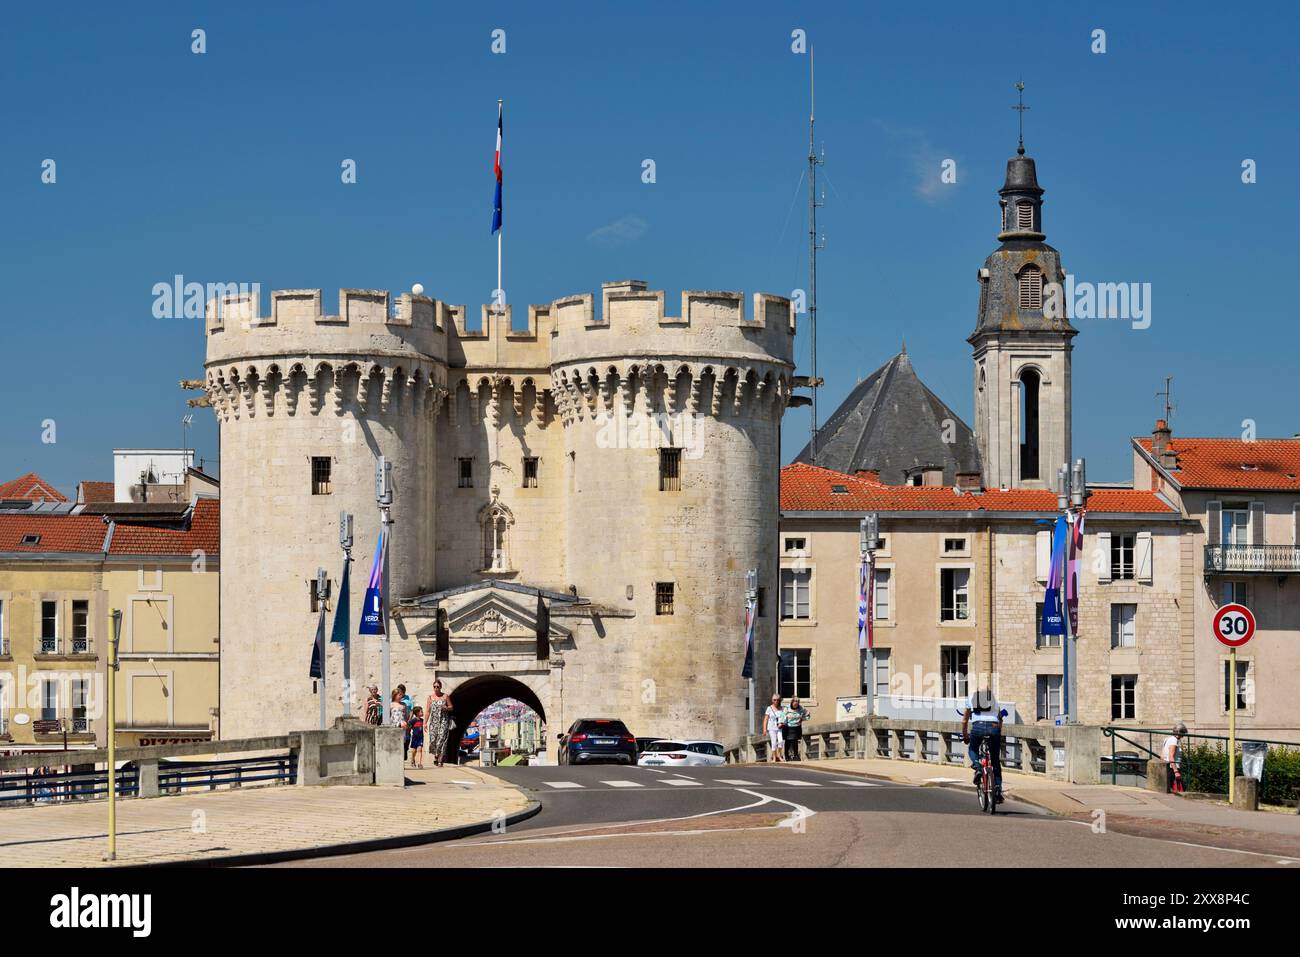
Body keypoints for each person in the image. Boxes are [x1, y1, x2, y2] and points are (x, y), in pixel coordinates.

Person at [962, 687, 1003, 802]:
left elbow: (964, 720)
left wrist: (965, 736)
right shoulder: (994, 699)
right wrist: (997, 734)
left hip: (977, 727)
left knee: (973, 749)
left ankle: (977, 766)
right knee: (995, 760)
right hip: (994, 728)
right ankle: (998, 789)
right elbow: (1000, 720)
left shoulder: (971, 698)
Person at [425, 680, 455, 768]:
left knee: (442, 739)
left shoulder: (445, 696)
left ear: (440, 687)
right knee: (433, 740)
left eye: (438, 686)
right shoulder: (430, 698)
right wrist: (425, 723)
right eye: (434, 687)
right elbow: (427, 711)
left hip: (443, 721)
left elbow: (451, 707)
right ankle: (436, 755)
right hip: (433, 722)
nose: (436, 688)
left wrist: (446, 707)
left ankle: (440, 759)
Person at [1162, 722, 1188, 794]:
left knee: (1172, 789)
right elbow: (1171, 756)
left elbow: (1162, 756)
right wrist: (1176, 771)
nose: (1183, 736)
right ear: (1180, 732)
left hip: (1168, 767)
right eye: (1183, 734)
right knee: (1179, 790)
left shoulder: (1167, 739)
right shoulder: (1174, 740)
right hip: (1173, 768)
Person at [782, 697, 810, 761]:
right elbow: (782, 716)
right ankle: (786, 755)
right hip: (787, 726)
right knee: (788, 741)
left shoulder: (801, 708)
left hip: (796, 726)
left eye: (797, 702)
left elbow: (808, 715)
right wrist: (781, 722)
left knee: (795, 741)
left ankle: (796, 755)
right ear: (792, 702)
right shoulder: (787, 708)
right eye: (795, 702)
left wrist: (803, 719)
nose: (796, 703)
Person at [764, 694, 785, 762]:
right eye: (774, 700)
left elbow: (783, 718)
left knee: (781, 741)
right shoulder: (769, 708)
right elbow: (766, 719)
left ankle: (778, 754)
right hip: (771, 728)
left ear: (780, 700)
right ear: (772, 700)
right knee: (773, 743)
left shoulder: (782, 708)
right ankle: (774, 757)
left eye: (777, 700)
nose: (776, 701)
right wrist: (764, 729)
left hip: (779, 728)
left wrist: (782, 723)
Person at [398, 683, 412, 761]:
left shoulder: (408, 699)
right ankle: (401, 753)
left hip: (406, 721)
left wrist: (409, 720)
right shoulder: (395, 699)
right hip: (398, 722)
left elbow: (411, 710)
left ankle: (405, 749)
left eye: (401, 692)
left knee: (407, 738)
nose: (400, 693)